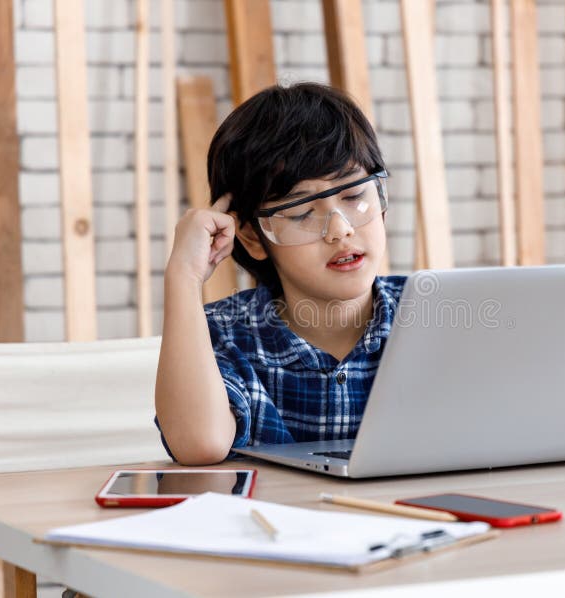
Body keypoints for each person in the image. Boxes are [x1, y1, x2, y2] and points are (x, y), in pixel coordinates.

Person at [155, 82, 407, 465]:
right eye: (302, 212)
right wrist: (183, 278)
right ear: (253, 237)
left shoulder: (430, 313)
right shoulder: (226, 334)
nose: (339, 229)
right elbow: (198, 443)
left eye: (354, 196)